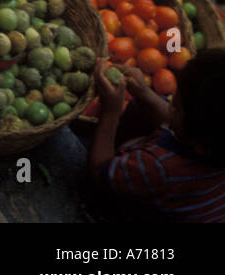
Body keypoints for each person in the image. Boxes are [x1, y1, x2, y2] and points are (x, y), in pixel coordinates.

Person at [89, 51, 225, 222]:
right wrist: (144, 92)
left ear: (200, 146)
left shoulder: (159, 167)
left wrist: (110, 112)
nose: (171, 103)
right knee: (139, 109)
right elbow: (174, 120)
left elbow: (97, 173)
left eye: (177, 108)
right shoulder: (211, 141)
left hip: (143, 211)